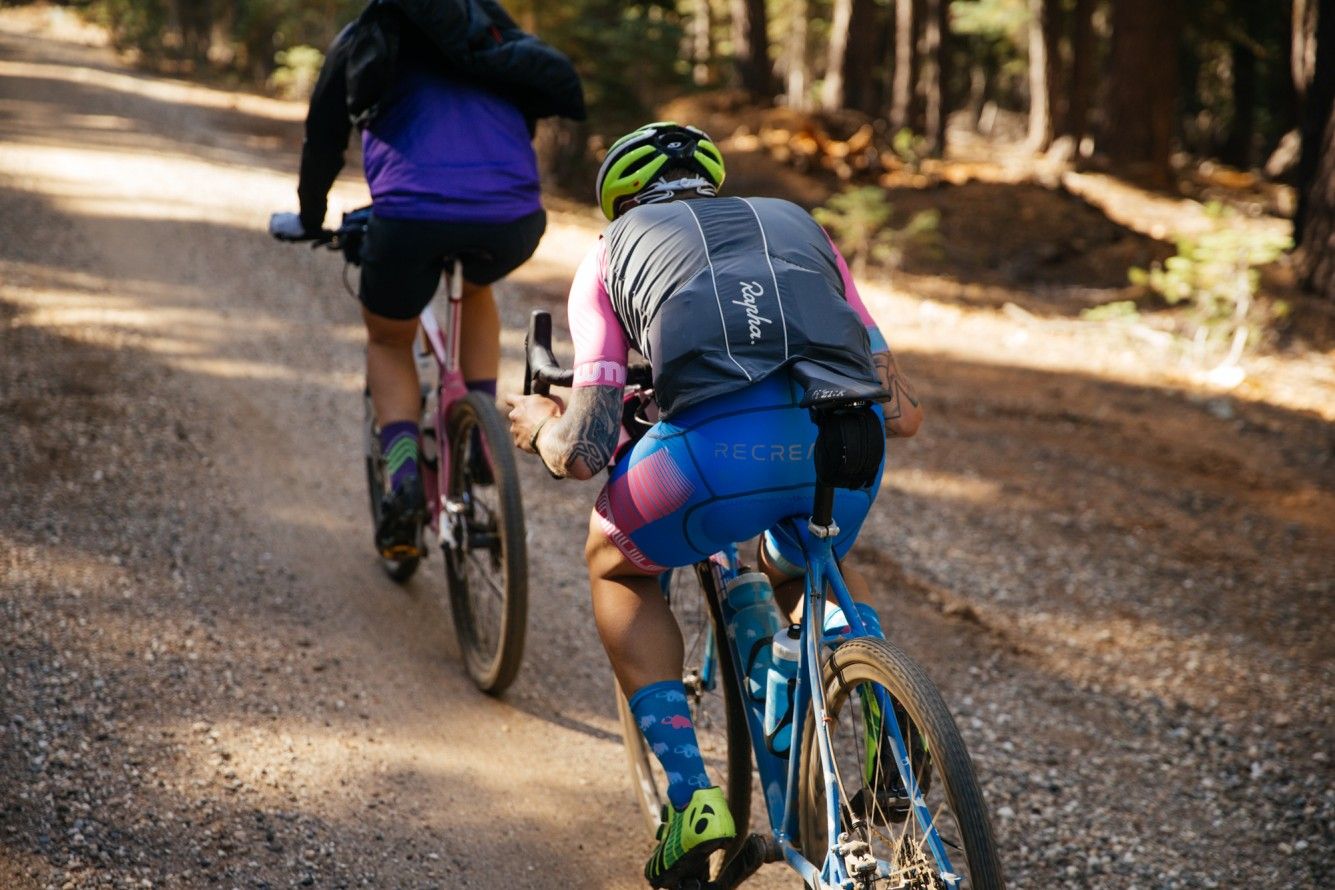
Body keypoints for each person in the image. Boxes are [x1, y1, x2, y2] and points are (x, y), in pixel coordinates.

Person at [504, 121, 923, 888]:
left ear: (619, 200)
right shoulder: (803, 230)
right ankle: (889, 723)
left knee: (617, 566)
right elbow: (904, 411)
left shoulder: (609, 253)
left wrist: (539, 430)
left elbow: (589, 448)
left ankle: (693, 800)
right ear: (712, 181)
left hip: (712, 459)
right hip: (847, 444)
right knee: (812, 553)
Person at [270, 2, 573, 559]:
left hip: (411, 214)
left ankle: (403, 481)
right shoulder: (490, 29)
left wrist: (311, 218)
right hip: (513, 215)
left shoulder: (368, 32)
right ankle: (480, 436)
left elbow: (324, 137)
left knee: (389, 339)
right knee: (476, 287)